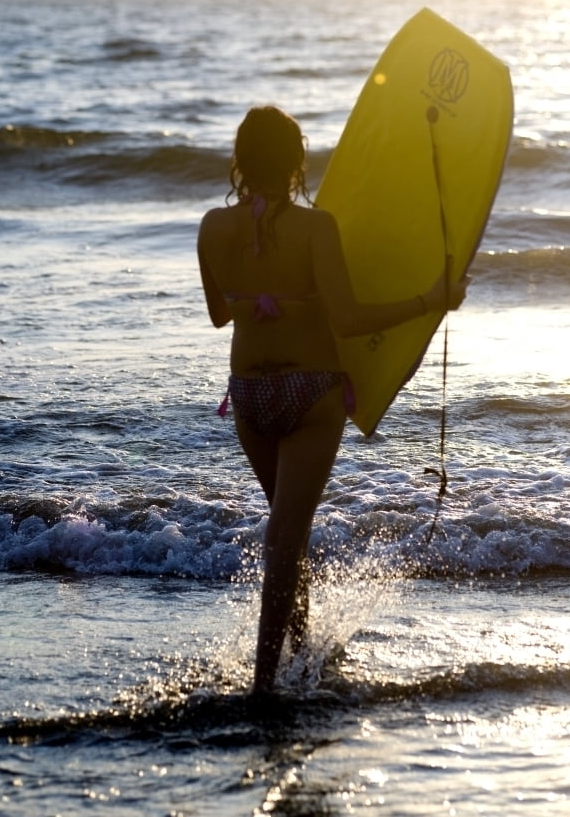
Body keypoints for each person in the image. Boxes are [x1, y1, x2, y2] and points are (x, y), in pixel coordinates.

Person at [197, 105, 468, 694]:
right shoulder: (316, 228)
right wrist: (430, 299)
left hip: (248, 394)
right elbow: (346, 321)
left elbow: (220, 315)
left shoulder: (211, 228)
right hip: (310, 388)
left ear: (239, 161)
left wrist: (260, 299)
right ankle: (267, 686)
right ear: (298, 162)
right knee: (287, 536)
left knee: (286, 532)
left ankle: (299, 657)